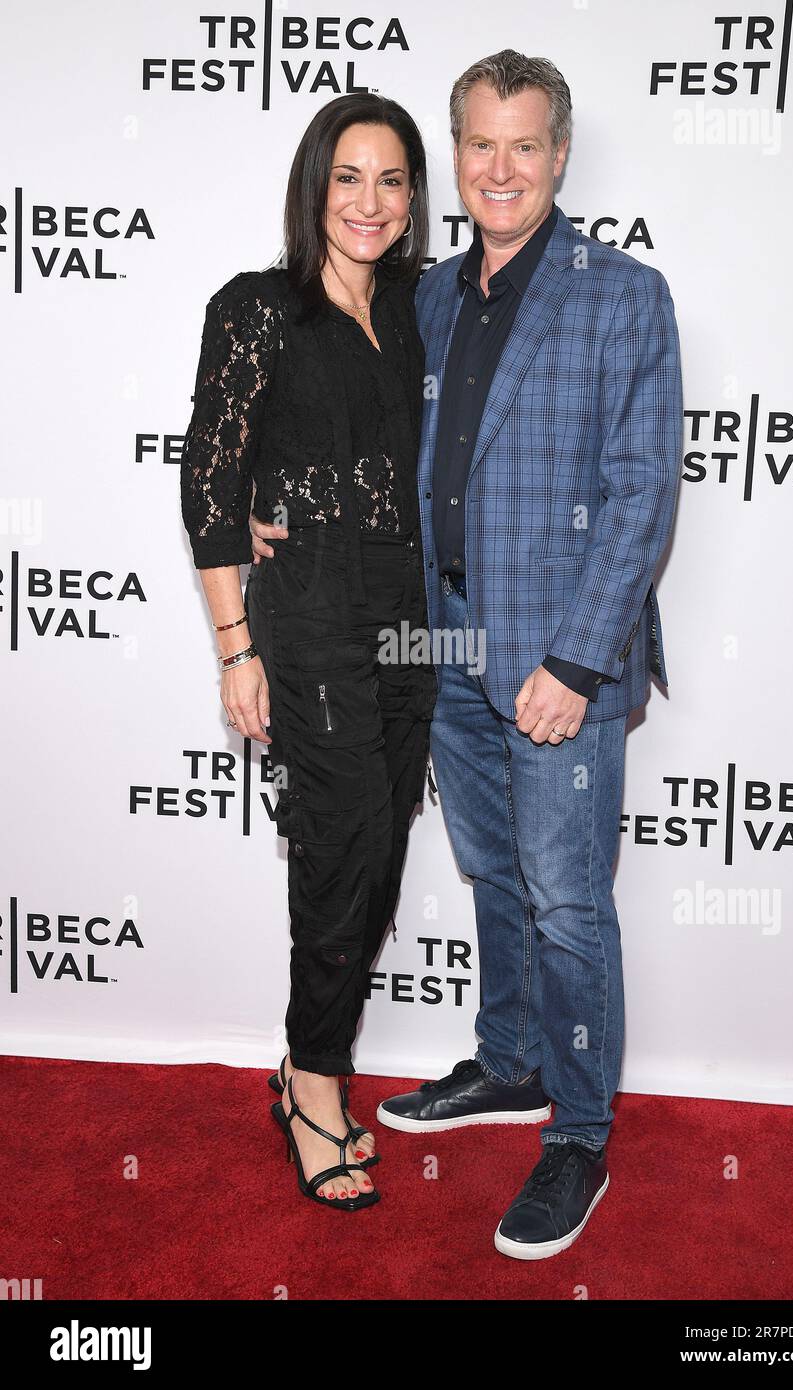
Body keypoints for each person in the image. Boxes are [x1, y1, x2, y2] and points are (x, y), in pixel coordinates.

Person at [372, 49, 683, 1260]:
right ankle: (509, 1064)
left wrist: (577, 661)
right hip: (445, 640)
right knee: (493, 876)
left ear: (559, 156)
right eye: (479, 145)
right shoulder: (431, 295)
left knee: (565, 899)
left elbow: (641, 491)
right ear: (456, 160)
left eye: (524, 145)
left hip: (557, 656)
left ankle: (581, 1130)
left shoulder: (622, 294)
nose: (500, 168)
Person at [180, 93, 437, 1212]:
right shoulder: (256, 310)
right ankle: (316, 1087)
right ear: (312, 184)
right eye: (348, 177)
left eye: (390, 180)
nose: (369, 202)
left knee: (379, 861)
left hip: (414, 612)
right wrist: (237, 646)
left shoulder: (427, 305)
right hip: (312, 612)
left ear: (413, 195)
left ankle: (305, 1060)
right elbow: (209, 487)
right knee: (340, 851)